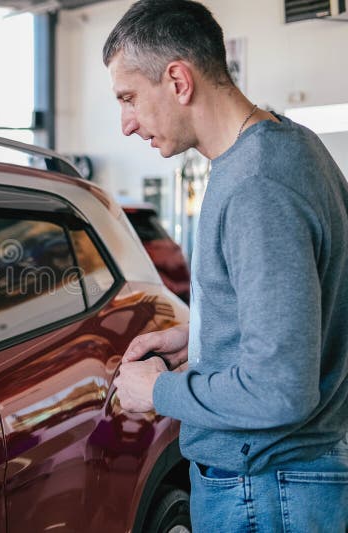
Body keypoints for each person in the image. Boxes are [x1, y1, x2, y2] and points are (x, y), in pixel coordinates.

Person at [102, 1, 348, 530]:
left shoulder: (257, 184)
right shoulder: (290, 147)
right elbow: (311, 309)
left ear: (177, 80)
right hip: (285, 482)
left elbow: (279, 389)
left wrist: (157, 391)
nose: (125, 125)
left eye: (129, 98)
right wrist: (204, 337)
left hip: (266, 489)